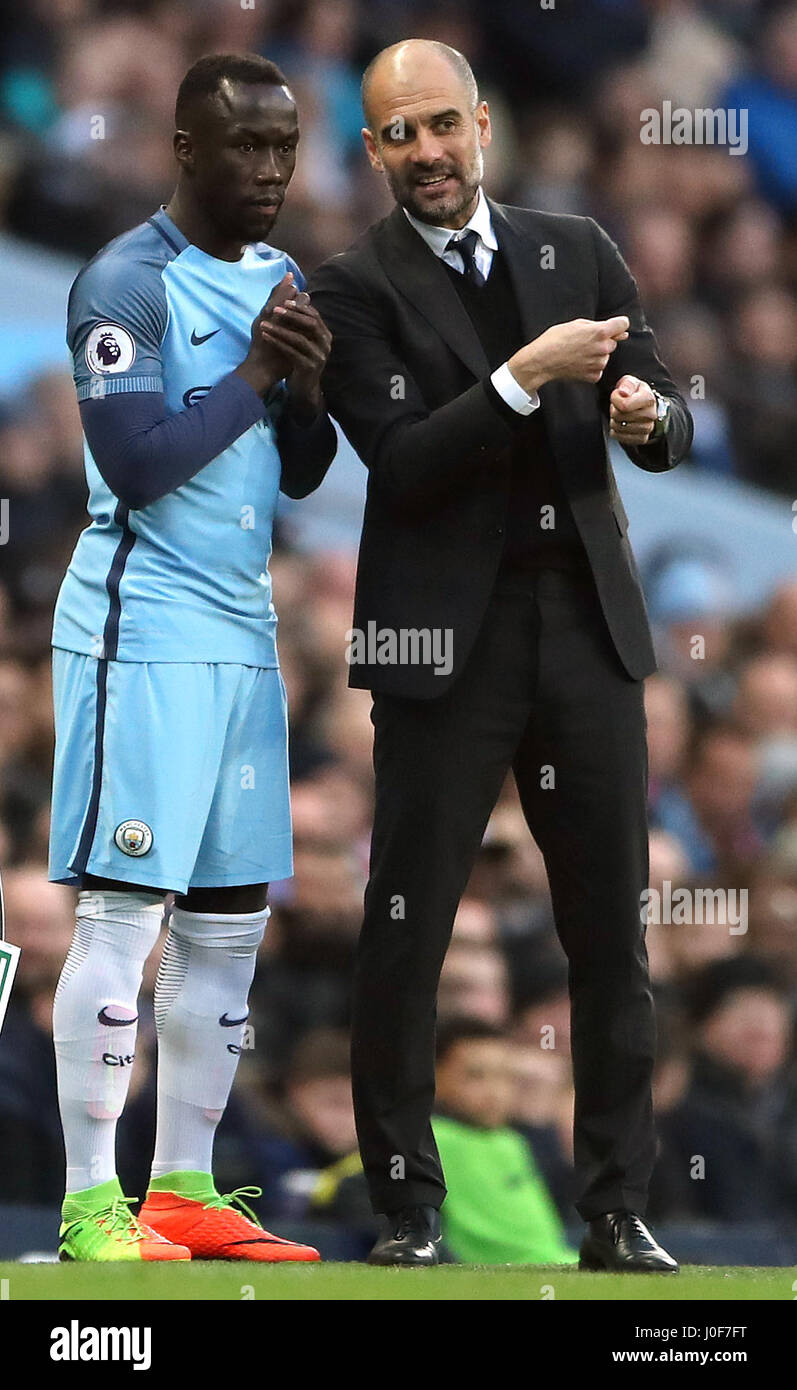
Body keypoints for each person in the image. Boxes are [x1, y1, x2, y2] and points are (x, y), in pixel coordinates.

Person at [310, 39, 692, 1270]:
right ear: (370, 151)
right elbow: (402, 460)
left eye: (440, 125)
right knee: (405, 924)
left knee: (608, 935)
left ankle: (617, 1210)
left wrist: (647, 418)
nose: (423, 151)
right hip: (438, 645)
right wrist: (526, 380)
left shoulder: (572, 245)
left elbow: (667, 405)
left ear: (483, 125)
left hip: (584, 625)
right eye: (395, 134)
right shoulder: (349, 285)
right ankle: (407, 1208)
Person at [48, 52, 336, 1263]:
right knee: (125, 914)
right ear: (181, 147)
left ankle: (181, 1189)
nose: (267, 169)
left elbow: (303, 472)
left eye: (282, 146)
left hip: (239, 633)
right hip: (142, 631)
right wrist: (261, 371)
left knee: (225, 927)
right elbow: (139, 464)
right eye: (243, 147)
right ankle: (84, 1201)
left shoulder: (280, 275)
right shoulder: (125, 281)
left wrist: (305, 394)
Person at [433, 1017, 577, 1265]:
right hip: (503, 1273)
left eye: (505, 1077)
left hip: (559, 1260)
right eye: (476, 1076)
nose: (495, 1092)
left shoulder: (512, 1141)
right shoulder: (431, 1138)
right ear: (434, 1076)